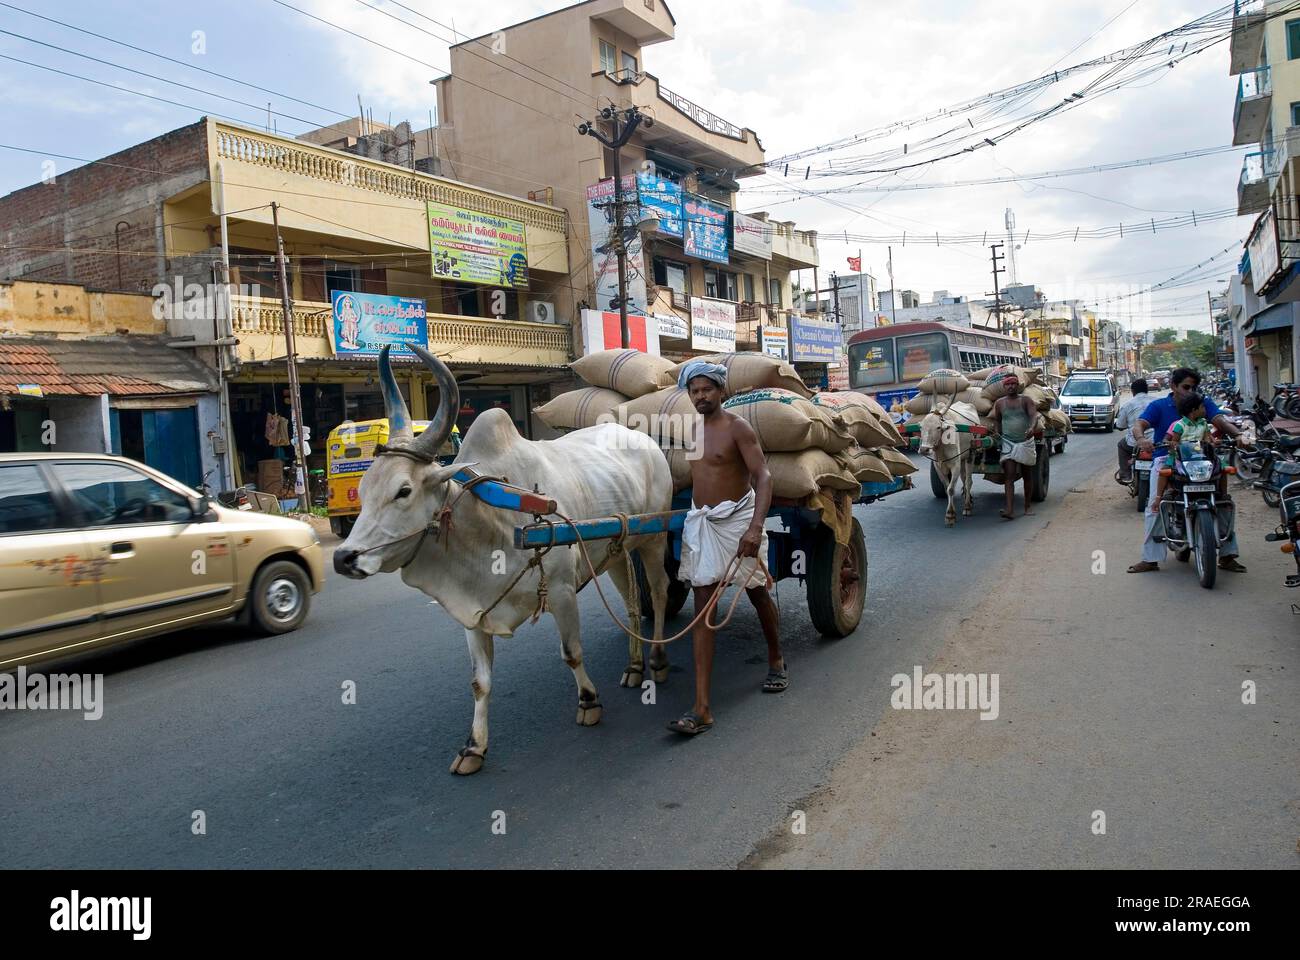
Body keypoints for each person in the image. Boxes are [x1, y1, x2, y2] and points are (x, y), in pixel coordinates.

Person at [667, 360, 784, 737]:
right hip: (703, 522)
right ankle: (702, 708)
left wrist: (754, 528)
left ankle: (777, 659)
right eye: (694, 390)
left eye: (707, 389)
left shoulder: (739, 427)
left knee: (756, 594)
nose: (700, 396)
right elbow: (697, 474)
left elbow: (763, 476)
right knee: (702, 606)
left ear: (721, 391)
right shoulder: (692, 432)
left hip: (738, 519)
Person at [1127, 367, 1249, 574]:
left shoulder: (1202, 404)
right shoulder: (1159, 405)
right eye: (1186, 387)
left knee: (1223, 501)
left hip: (1202, 458)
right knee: (1156, 504)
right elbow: (1140, 424)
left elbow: (1219, 421)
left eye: (1194, 387)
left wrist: (1239, 435)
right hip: (1168, 457)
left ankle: (1227, 556)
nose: (1191, 391)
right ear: (1173, 386)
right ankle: (1150, 558)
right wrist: (1141, 439)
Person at [1151, 391, 1210, 506]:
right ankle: (1159, 497)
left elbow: (1207, 439)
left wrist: (1211, 443)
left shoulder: (1203, 423)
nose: (1205, 410)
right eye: (1203, 407)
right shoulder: (1180, 425)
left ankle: (1222, 493)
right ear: (1194, 410)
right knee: (1165, 470)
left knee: (1221, 467)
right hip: (1181, 456)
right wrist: (1173, 444)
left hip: (1200, 456)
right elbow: (1174, 440)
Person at [992, 374, 1038, 520]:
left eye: (1013, 384)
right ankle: (1010, 510)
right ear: (1004, 387)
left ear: (1018, 386)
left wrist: (1031, 428)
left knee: (1027, 475)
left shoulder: (1026, 401)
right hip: (1008, 443)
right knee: (1009, 475)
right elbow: (998, 421)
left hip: (1025, 442)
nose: (1011, 386)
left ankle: (1027, 506)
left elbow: (1033, 416)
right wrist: (997, 434)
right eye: (1008, 384)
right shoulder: (999, 403)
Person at [1114, 377, 1151, 483]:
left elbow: (1120, 425)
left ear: (1133, 391)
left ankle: (1125, 475)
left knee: (1121, 445)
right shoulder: (1156, 402)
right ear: (1147, 390)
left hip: (1135, 443)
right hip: (1156, 441)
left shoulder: (1127, 405)